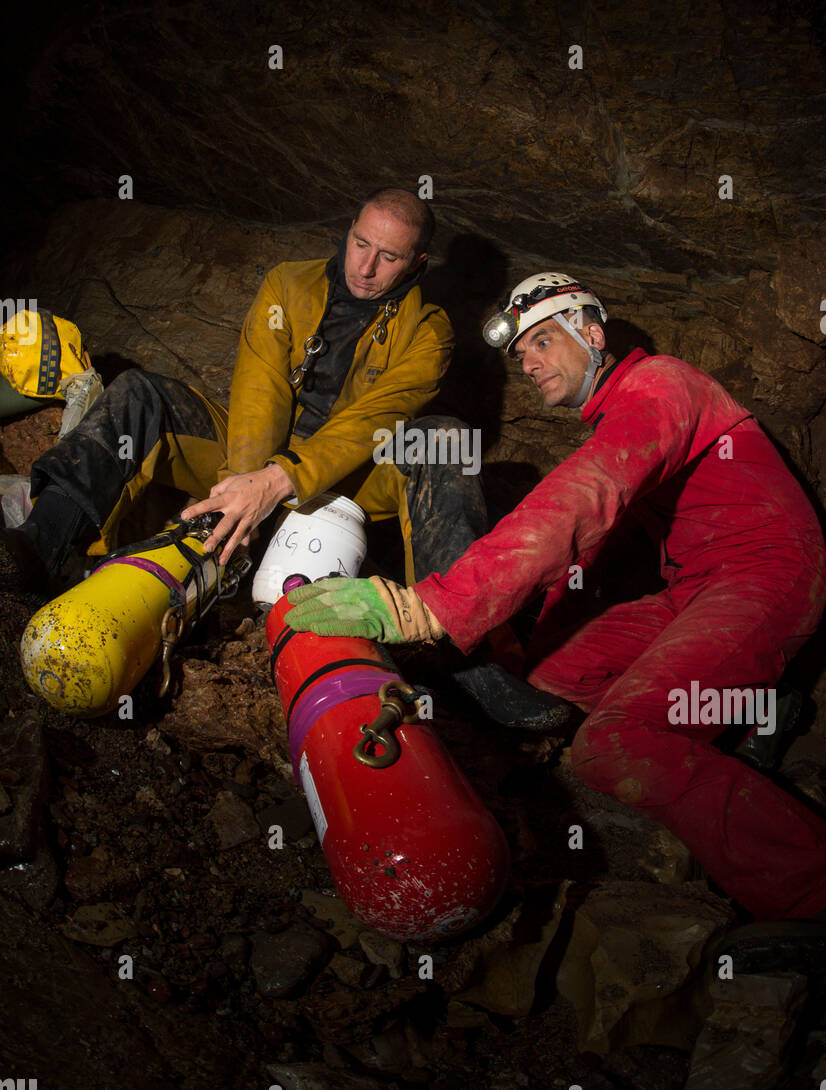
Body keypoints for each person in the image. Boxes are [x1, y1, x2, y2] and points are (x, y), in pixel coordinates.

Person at [283, 271, 826, 957]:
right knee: (544, 680)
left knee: (614, 745)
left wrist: (430, 604)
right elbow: (587, 551)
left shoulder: (661, 386)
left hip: (764, 575)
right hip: (692, 590)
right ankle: (743, 716)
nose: (527, 362)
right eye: (519, 353)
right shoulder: (622, 416)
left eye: (543, 341)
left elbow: (582, 501)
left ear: (592, 334)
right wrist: (516, 637)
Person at [1, 191, 567, 726]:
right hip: (254, 461)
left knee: (444, 438)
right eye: (360, 243)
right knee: (139, 393)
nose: (365, 267)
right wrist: (241, 491)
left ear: (416, 261)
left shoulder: (428, 331)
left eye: (388, 256)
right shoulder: (287, 285)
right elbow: (259, 391)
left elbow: (373, 422)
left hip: (352, 481)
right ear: (349, 232)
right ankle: (44, 539)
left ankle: (463, 651)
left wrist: (278, 482)